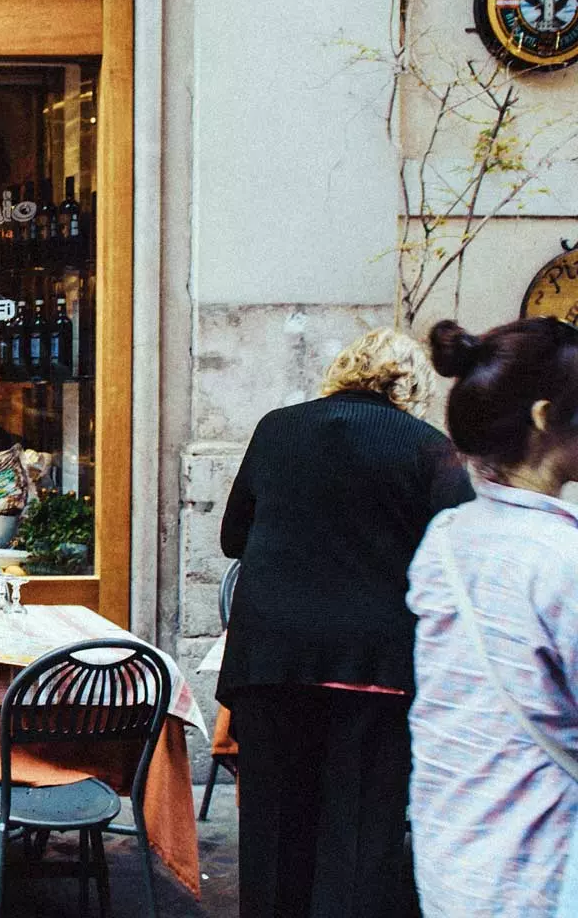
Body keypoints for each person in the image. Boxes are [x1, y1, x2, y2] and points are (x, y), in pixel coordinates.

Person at [217, 327, 473, 918]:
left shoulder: (277, 427)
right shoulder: (428, 448)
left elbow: (234, 538)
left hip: (272, 662)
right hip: (373, 669)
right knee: (358, 836)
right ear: (411, 384)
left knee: (273, 828)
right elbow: (453, 559)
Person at [409, 318, 578, 917]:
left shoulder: (447, 537)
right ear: (543, 417)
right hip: (539, 866)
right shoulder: (561, 558)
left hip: (453, 852)